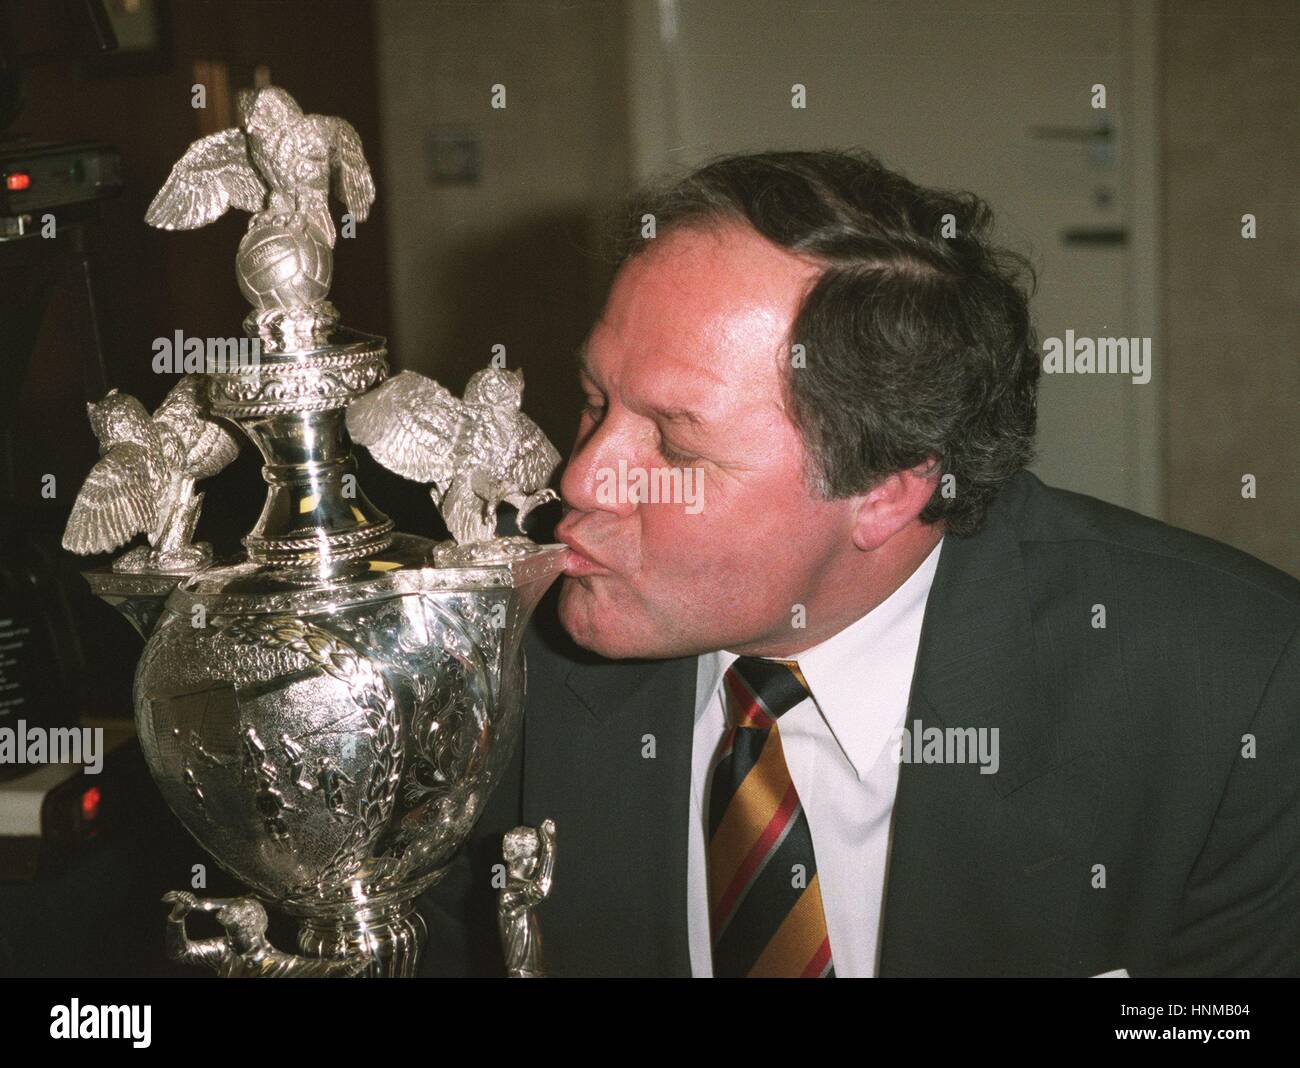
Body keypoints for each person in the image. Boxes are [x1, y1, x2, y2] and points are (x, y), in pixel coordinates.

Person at [417, 149, 1299, 977]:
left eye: (677, 448)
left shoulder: (1235, 692)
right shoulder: (480, 659)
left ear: (886, 489)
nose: (582, 477)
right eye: (593, 400)